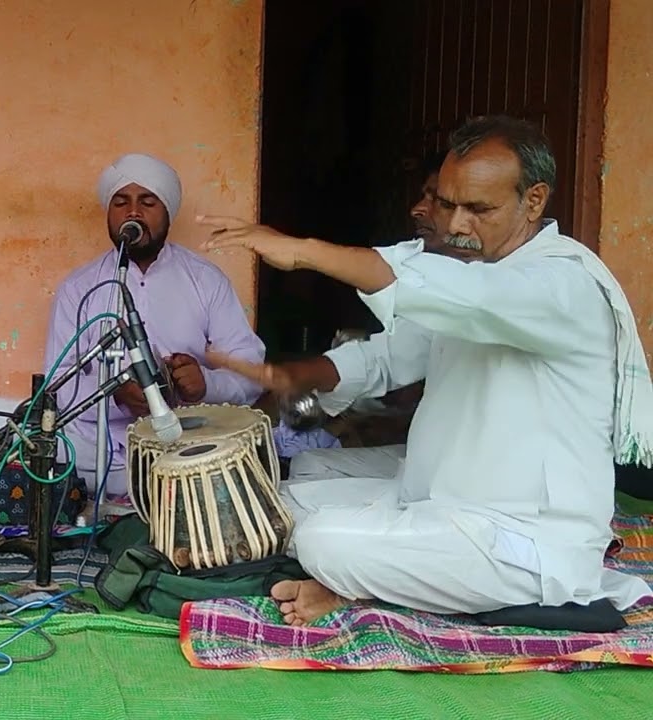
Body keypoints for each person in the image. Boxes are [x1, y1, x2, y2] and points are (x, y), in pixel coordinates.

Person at [199, 115, 652, 625]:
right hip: (444, 501)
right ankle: (376, 573)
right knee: (291, 487)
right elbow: (395, 352)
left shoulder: (560, 284)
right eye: (449, 204)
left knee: (321, 540)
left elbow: (441, 291)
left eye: (478, 209)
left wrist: (301, 251)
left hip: (523, 538)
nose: (456, 225)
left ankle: (358, 582)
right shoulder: (484, 275)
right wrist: (300, 375)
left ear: (534, 200)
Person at [43, 153, 265, 497]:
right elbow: (57, 385)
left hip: (186, 445)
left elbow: (251, 373)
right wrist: (115, 395)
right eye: (121, 202)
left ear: (168, 213)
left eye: (147, 202)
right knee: (47, 451)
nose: (133, 212)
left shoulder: (205, 280)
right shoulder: (80, 288)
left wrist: (206, 384)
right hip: (100, 450)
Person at [286, 152, 463, 483]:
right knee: (309, 466)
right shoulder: (446, 275)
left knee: (316, 528)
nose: (418, 209)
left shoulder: (536, 282)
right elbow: (388, 358)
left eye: (436, 199)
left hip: (474, 480)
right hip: (433, 457)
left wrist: (301, 252)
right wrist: (302, 373)